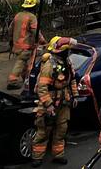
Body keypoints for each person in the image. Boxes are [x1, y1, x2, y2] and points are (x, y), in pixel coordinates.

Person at [33, 36, 79, 165]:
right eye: (66, 50)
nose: (68, 52)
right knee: (44, 131)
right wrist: (48, 105)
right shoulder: (49, 65)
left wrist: (75, 96)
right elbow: (42, 88)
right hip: (49, 103)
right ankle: (37, 157)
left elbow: (72, 80)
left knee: (61, 130)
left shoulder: (66, 63)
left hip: (64, 102)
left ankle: (58, 155)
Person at [7, 0, 43, 89]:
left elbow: (10, 29)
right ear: (34, 7)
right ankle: (12, 81)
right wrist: (42, 40)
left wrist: (11, 40)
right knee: (21, 62)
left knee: (24, 63)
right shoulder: (32, 17)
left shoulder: (18, 15)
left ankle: (26, 79)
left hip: (16, 45)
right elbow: (35, 31)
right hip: (26, 46)